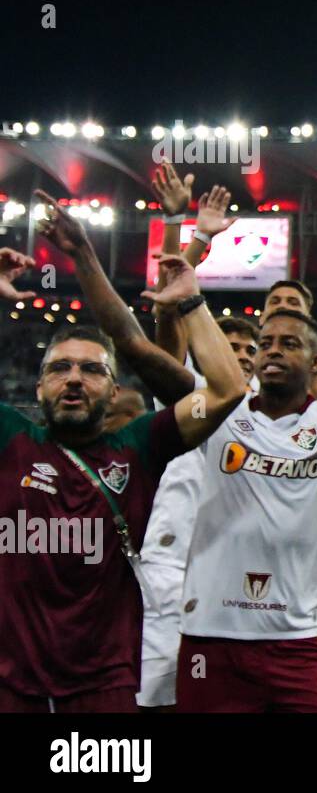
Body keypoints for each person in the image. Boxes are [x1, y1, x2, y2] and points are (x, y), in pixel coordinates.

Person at [0, 229, 246, 712]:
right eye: (59, 369)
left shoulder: (138, 448)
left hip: (104, 685)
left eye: (92, 370)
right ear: (38, 388)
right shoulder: (10, 440)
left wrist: (191, 301)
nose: (74, 378)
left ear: (114, 392)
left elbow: (226, 391)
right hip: (11, 680)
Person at [175, 232, 317, 712]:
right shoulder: (232, 413)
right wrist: (180, 292)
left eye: (290, 343)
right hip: (235, 628)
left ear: (314, 359)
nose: (274, 351)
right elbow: (166, 365)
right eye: (267, 343)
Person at [136, 315, 259, 711]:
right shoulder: (190, 394)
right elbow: (167, 344)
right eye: (231, 345)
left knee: (220, 694)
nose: (241, 355)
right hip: (170, 565)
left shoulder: (271, 407)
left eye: (249, 350)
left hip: (234, 575)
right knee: (155, 691)